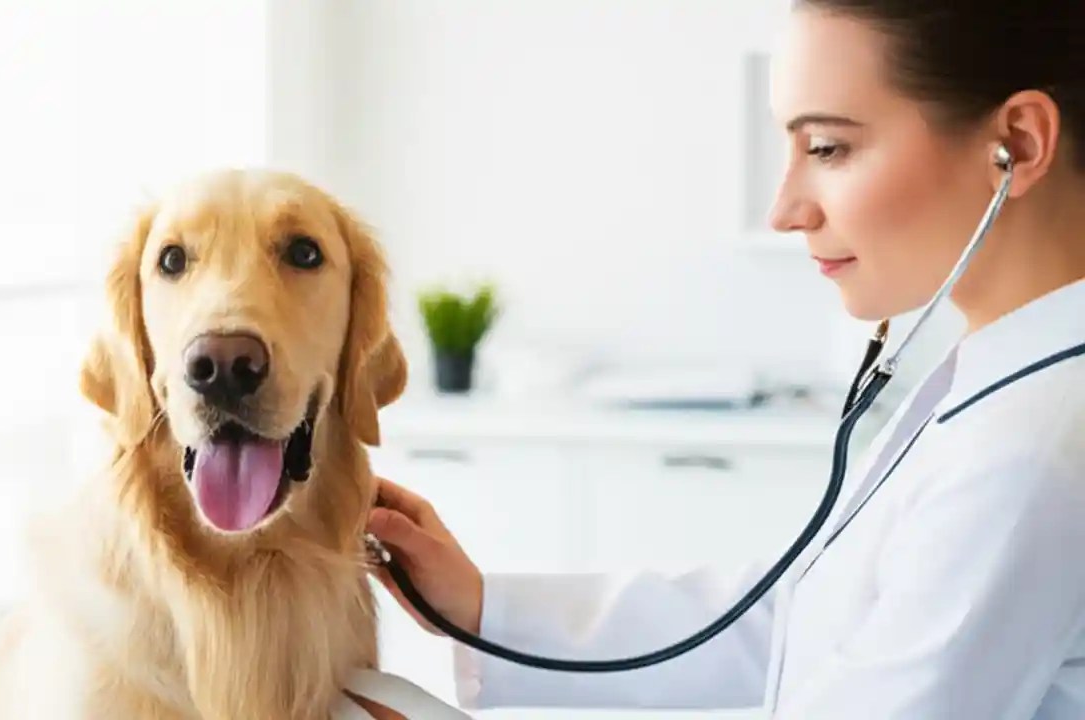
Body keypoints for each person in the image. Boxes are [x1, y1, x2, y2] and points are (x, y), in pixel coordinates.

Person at [364, 1, 1085, 717]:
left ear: (1017, 146)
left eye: (827, 148)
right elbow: (796, 623)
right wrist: (481, 606)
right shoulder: (1003, 380)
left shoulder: (1029, 453)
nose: (785, 208)